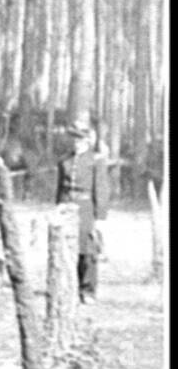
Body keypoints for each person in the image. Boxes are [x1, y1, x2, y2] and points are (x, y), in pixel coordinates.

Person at [56, 117, 110, 304]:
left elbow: (101, 190)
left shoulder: (95, 161)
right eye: (73, 138)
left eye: (80, 138)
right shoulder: (64, 161)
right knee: (67, 249)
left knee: (87, 251)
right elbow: (60, 188)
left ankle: (88, 290)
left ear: (87, 140)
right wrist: (59, 207)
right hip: (67, 207)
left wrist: (100, 217)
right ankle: (71, 286)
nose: (76, 142)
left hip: (86, 208)